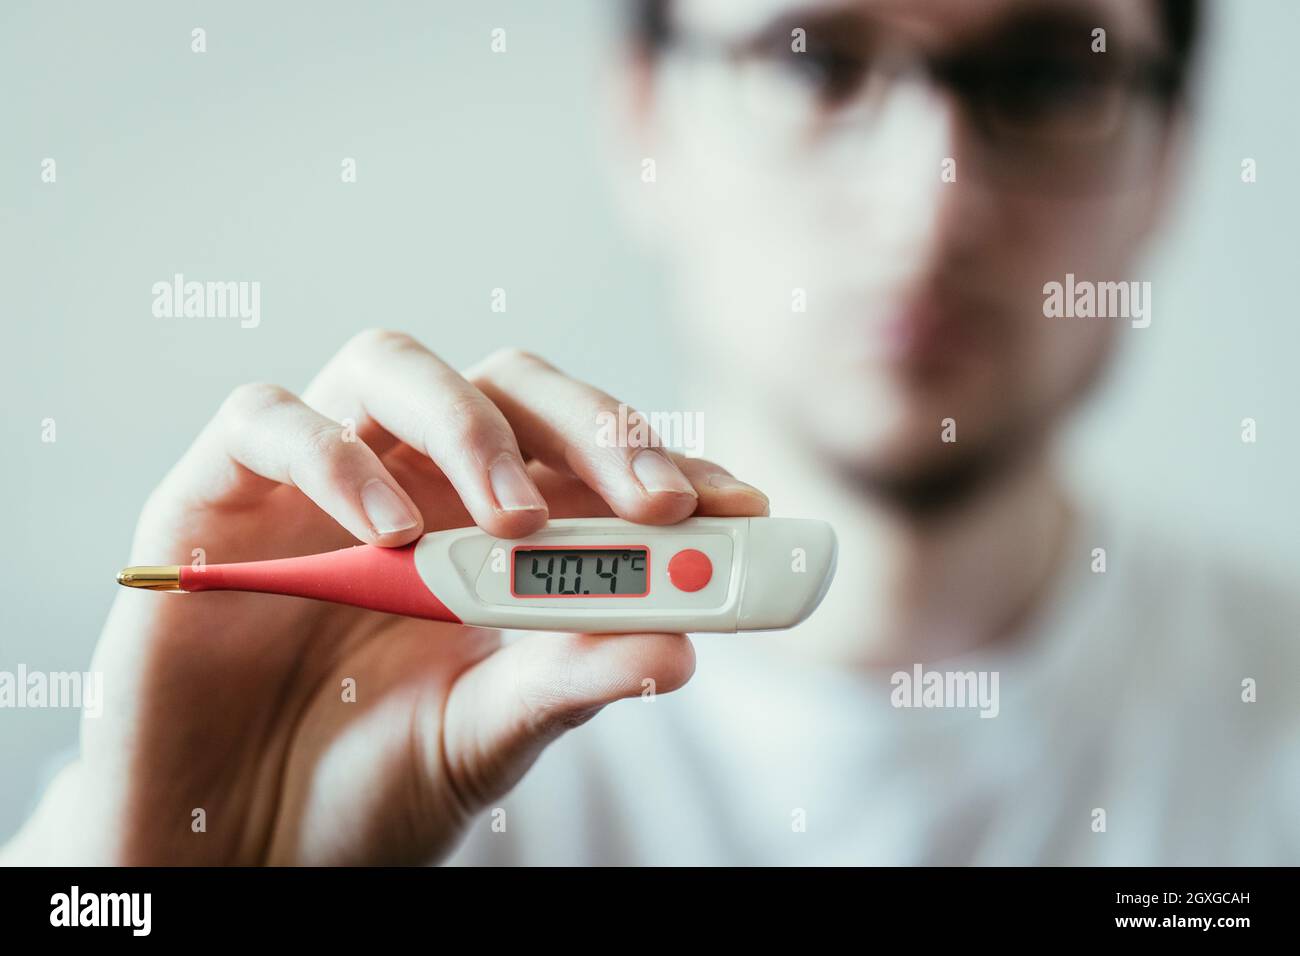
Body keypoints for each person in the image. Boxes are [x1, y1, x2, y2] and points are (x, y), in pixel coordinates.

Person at [3, 0, 1295, 866]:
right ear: (644, 124)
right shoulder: (331, 712)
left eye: (1047, 76)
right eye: (813, 59)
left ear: (1174, 158)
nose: (929, 206)